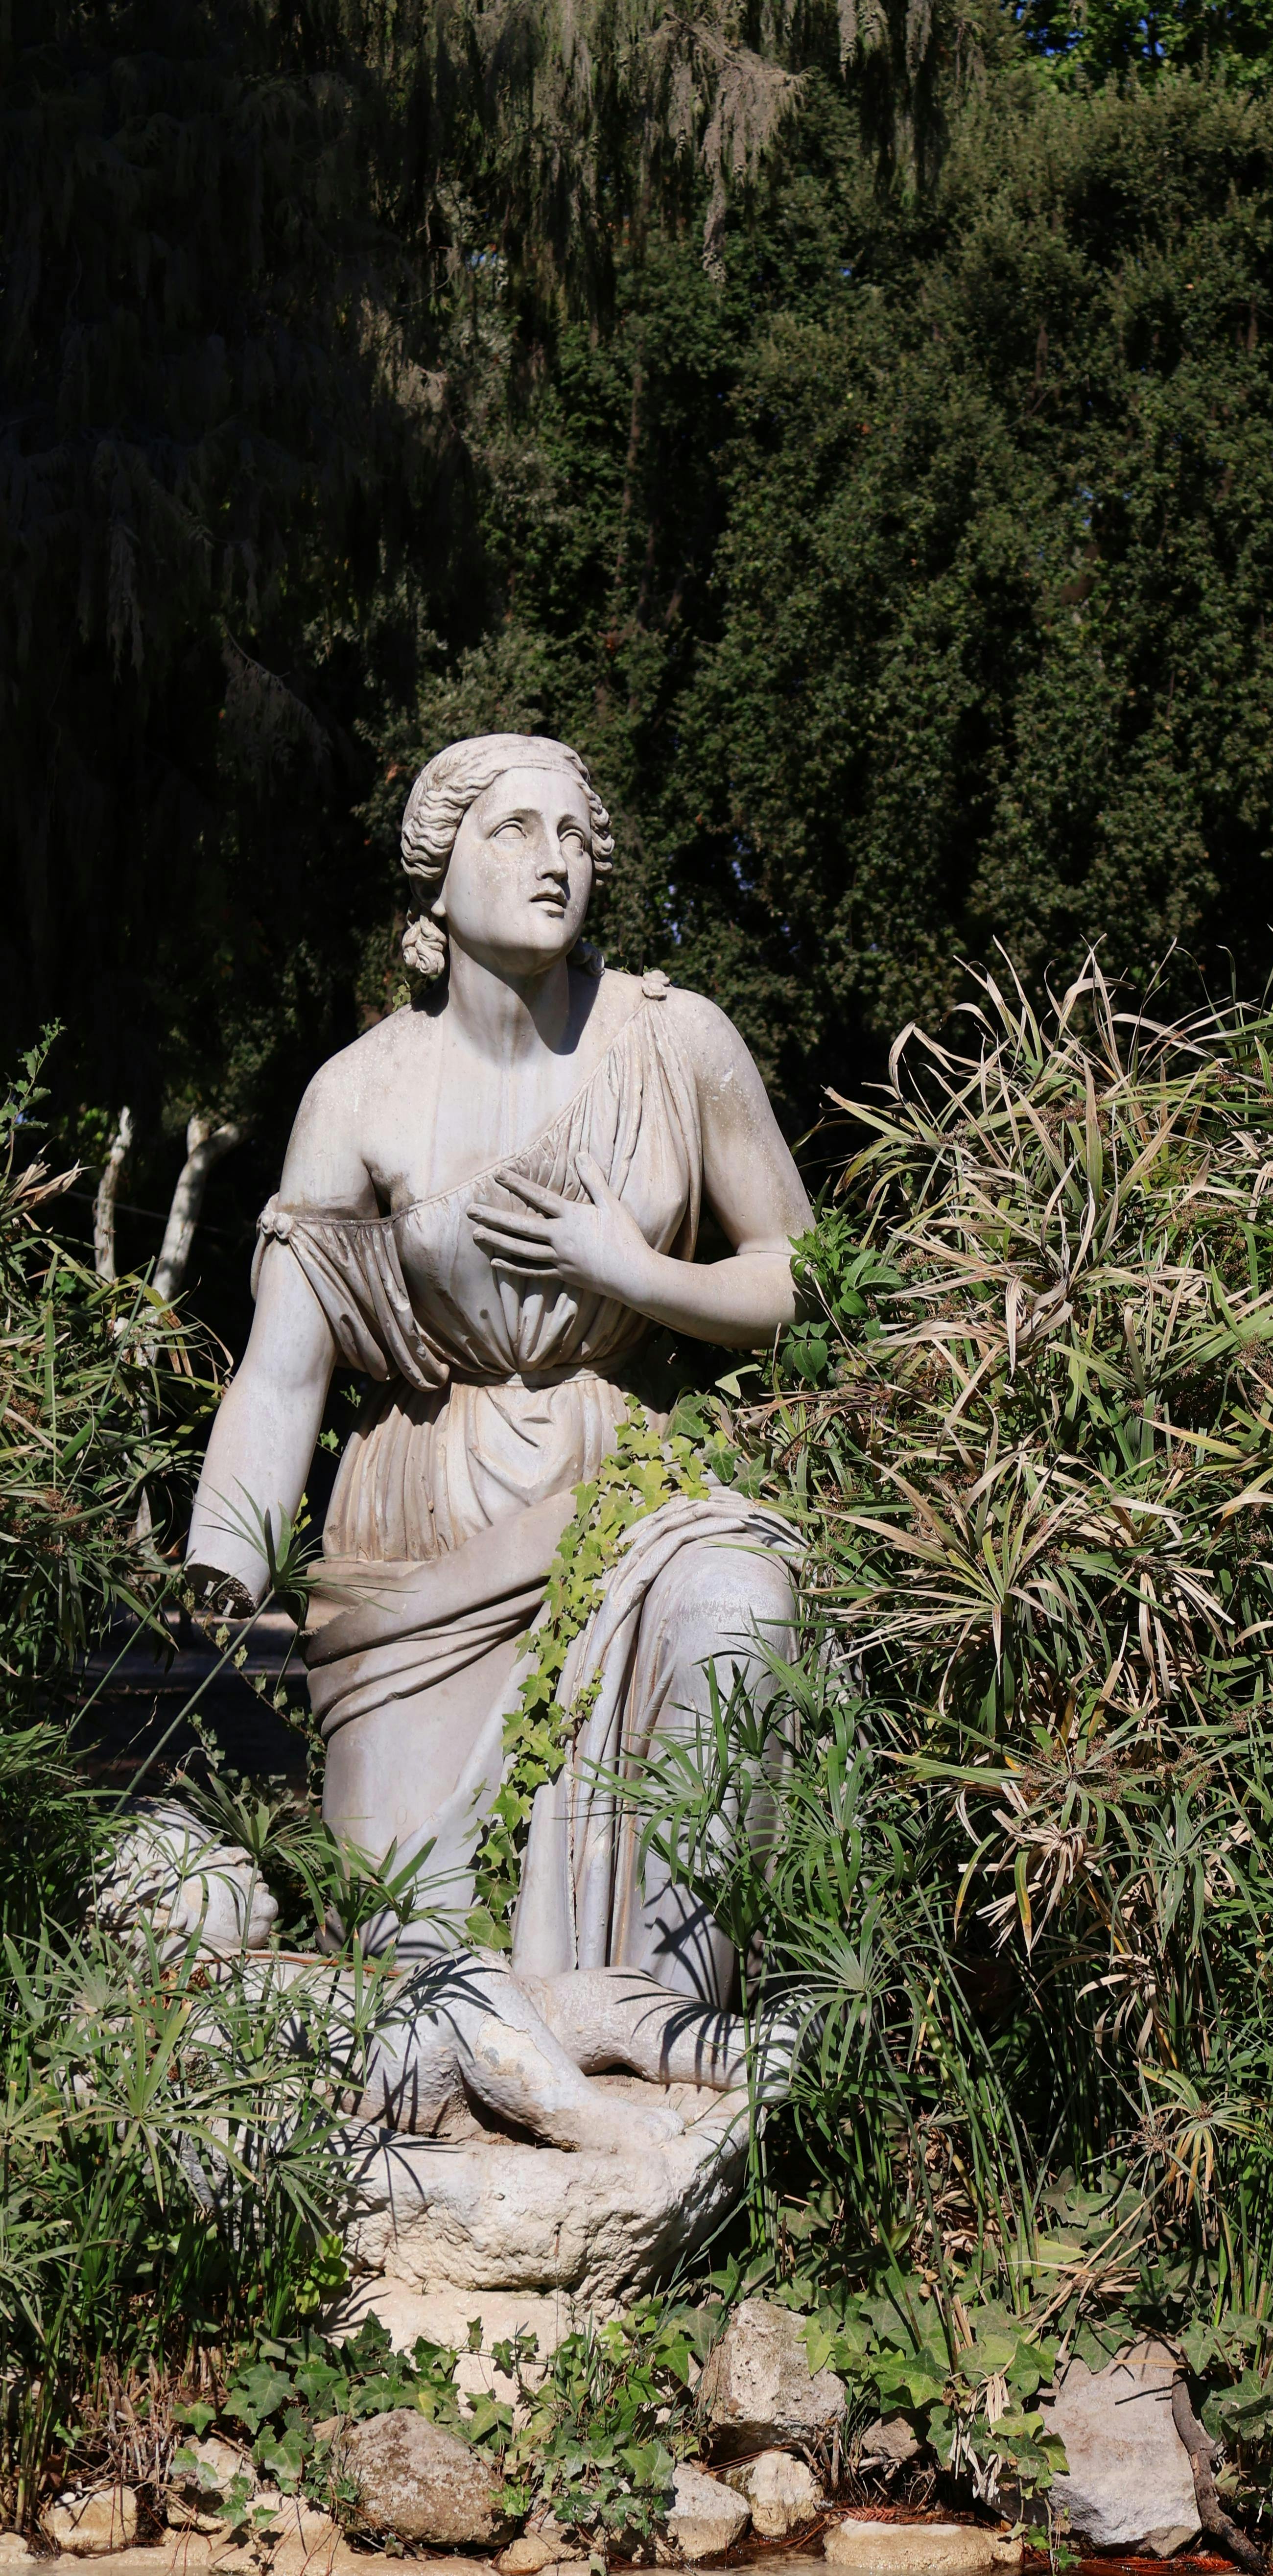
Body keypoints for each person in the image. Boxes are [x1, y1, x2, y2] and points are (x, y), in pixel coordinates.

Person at [185, 733, 812, 2152]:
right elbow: (288, 1365)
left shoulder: (675, 1041)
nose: (555, 859)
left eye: (576, 835)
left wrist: (629, 1271)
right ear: (437, 874)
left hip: (631, 1482)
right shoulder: (363, 1091)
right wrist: (227, 1549)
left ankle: (668, 2052)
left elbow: (794, 1274)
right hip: (421, 1519)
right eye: (514, 830)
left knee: (738, 1594)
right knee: (408, 1930)